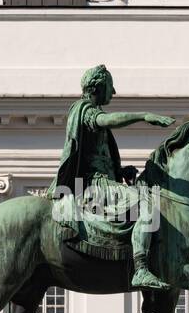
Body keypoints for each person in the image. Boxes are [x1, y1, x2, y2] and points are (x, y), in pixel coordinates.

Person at [50, 64, 174, 290]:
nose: (113, 92)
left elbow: (98, 156)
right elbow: (106, 120)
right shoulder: (84, 109)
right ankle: (141, 270)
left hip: (104, 181)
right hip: (93, 186)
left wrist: (120, 172)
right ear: (98, 87)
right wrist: (143, 115)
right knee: (146, 206)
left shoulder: (88, 112)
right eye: (110, 86)